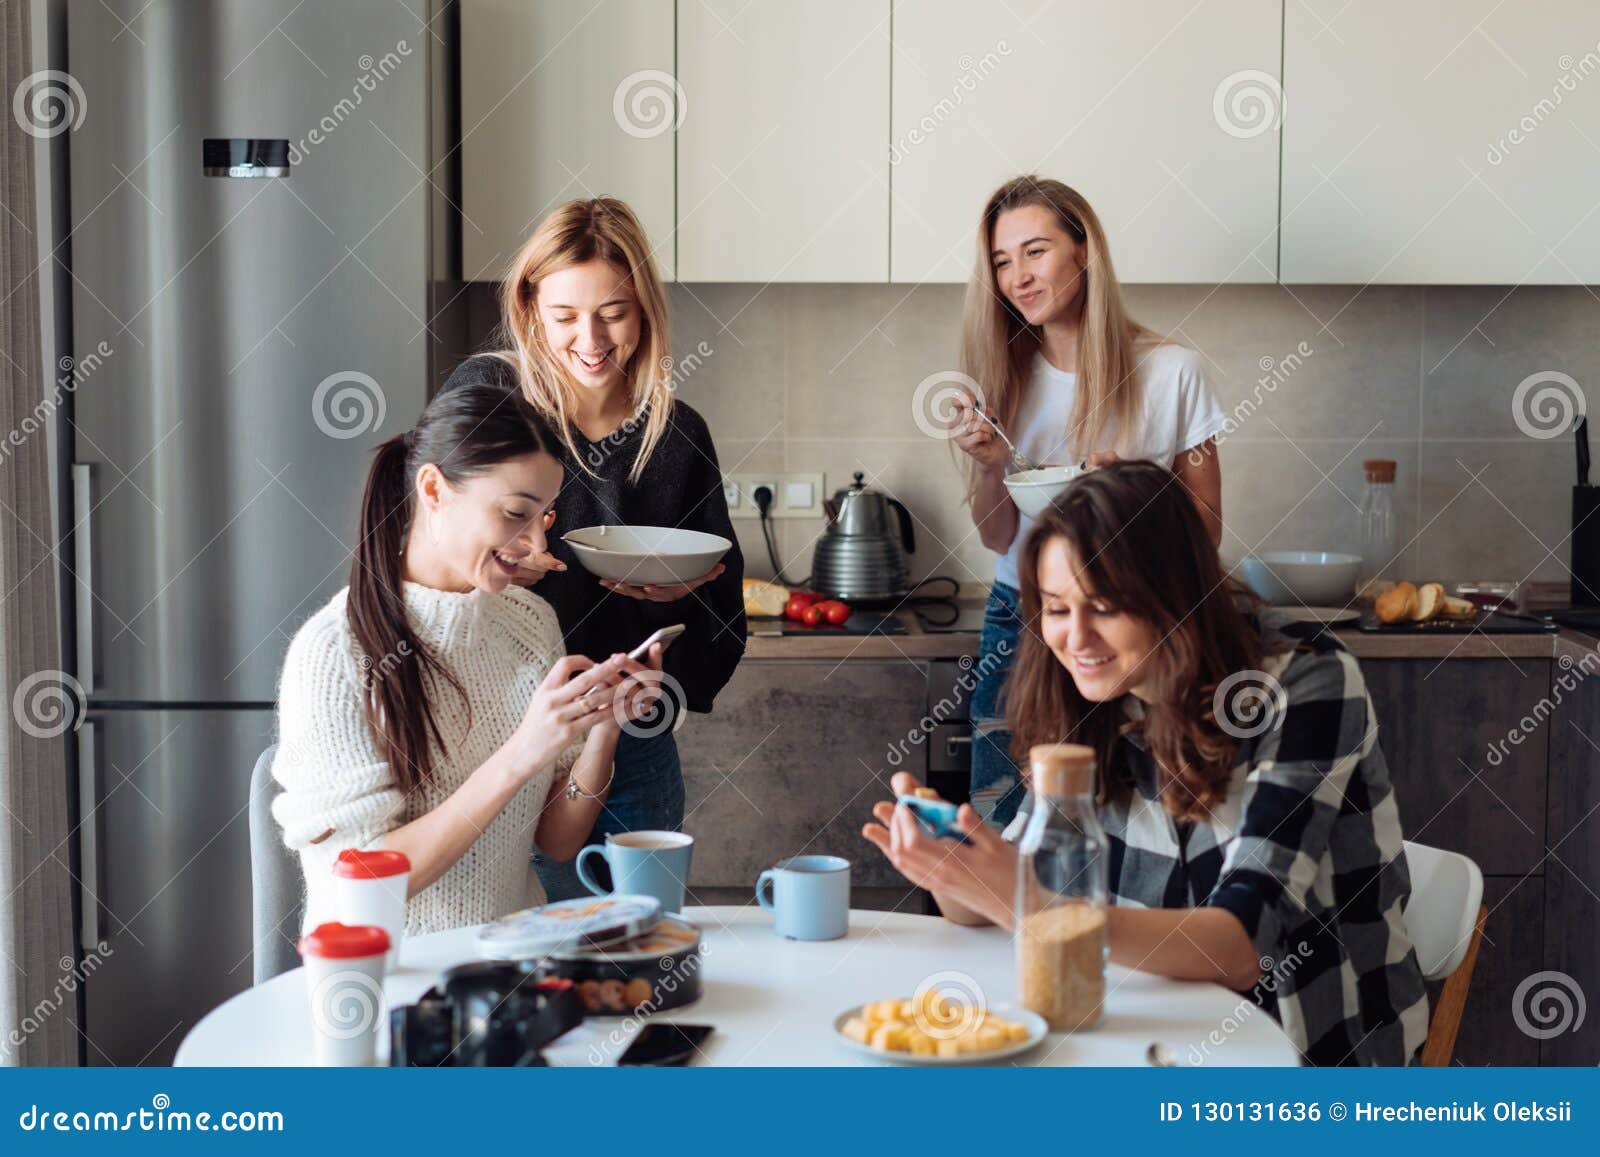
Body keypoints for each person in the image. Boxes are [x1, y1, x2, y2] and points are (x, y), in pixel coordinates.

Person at [863, 461, 1429, 1066]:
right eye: (1056, 608)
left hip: (1314, 1052)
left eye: (1104, 607)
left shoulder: (1304, 684)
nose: (1076, 639)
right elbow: (994, 898)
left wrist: (1025, 903)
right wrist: (955, 862)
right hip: (1156, 1036)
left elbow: (1242, 947)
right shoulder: (1092, 697)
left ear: (1174, 596)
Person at [271, 384, 661, 935]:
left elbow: (557, 840)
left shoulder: (529, 622)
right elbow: (360, 879)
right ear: (433, 489)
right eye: (513, 514)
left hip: (512, 971)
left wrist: (604, 730)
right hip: (387, 986)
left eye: (543, 517)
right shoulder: (333, 654)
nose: (531, 543)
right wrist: (522, 752)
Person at [442, 196, 745, 900]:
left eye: (614, 312)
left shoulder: (677, 435)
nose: (592, 339)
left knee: (631, 965)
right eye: (565, 316)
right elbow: (419, 554)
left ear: (644, 310)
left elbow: (726, 623)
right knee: (518, 960)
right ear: (529, 307)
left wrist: (688, 592)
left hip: (628, 749)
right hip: (495, 739)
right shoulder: (488, 398)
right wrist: (493, 564)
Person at [948, 176, 1227, 828]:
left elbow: (1206, 533)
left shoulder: (1173, 372)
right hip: (1024, 618)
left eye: (1035, 251)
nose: (1017, 275)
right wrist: (991, 467)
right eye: (1001, 261)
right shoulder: (1003, 380)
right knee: (1003, 821)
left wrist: (1135, 493)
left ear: (1085, 254)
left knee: (1142, 823)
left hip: (1142, 627)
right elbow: (997, 538)